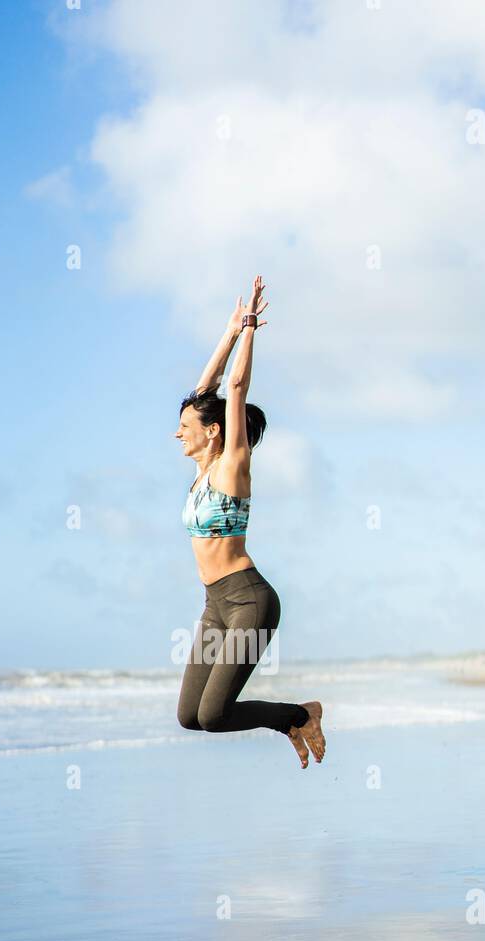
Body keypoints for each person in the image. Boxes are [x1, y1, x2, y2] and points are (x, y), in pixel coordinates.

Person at [175, 276, 325, 769]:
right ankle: (294, 717)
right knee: (190, 717)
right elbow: (205, 390)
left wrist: (252, 330)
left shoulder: (231, 466)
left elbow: (233, 387)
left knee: (216, 715)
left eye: (186, 428)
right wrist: (228, 331)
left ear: (213, 433)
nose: (178, 434)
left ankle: (300, 715)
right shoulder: (200, 470)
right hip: (215, 604)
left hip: (248, 601)